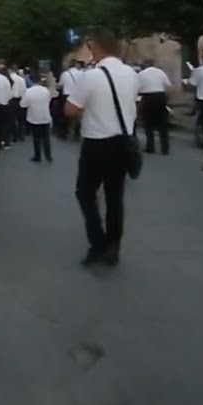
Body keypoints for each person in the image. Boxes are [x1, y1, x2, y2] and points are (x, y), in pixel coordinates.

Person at [64, 29, 139, 267]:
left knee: (85, 193)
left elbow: (70, 110)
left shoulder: (91, 76)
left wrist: (89, 109)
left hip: (97, 143)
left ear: (96, 48)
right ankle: (114, 246)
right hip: (123, 142)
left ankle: (97, 243)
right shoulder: (131, 74)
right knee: (115, 197)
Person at [136, 59, 172, 155]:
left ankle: (150, 146)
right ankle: (165, 148)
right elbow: (168, 85)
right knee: (163, 123)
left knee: (148, 123)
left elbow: (137, 87)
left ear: (145, 65)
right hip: (160, 97)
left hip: (147, 98)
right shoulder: (160, 72)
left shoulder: (141, 74)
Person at [21, 75, 53, 163]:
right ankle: (48, 155)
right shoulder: (46, 90)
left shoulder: (28, 91)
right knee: (46, 138)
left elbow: (23, 105)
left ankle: (37, 156)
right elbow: (49, 100)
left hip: (34, 117)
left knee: (36, 138)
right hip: (45, 116)